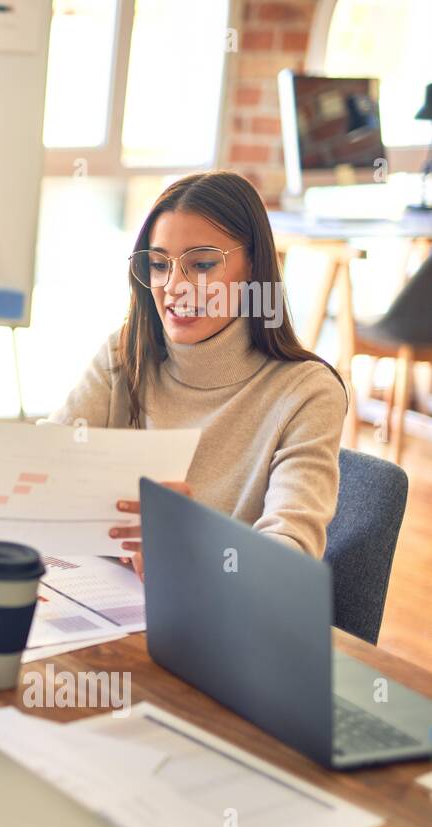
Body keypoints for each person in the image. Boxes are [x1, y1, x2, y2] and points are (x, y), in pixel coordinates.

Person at [48, 171, 348, 576]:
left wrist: (198, 541)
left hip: (222, 610)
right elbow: (47, 463)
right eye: (159, 265)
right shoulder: (124, 352)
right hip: (101, 595)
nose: (174, 287)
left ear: (254, 267)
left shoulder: (307, 392)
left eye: (202, 264)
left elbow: (290, 558)